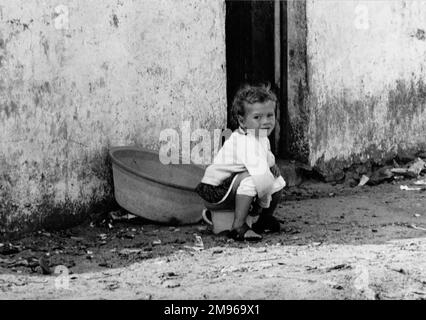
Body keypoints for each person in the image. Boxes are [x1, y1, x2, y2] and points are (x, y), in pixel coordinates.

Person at [195, 84, 285, 241]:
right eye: (257, 117)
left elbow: (267, 156)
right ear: (242, 121)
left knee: (278, 180)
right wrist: (258, 207)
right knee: (254, 180)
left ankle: (263, 219)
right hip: (215, 190)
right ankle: (238, 226)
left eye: (270, 115)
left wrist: (272, 166)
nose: (265, 122)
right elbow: (262, 180)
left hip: (231, 185)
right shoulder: (245, 142)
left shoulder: (260, 136)